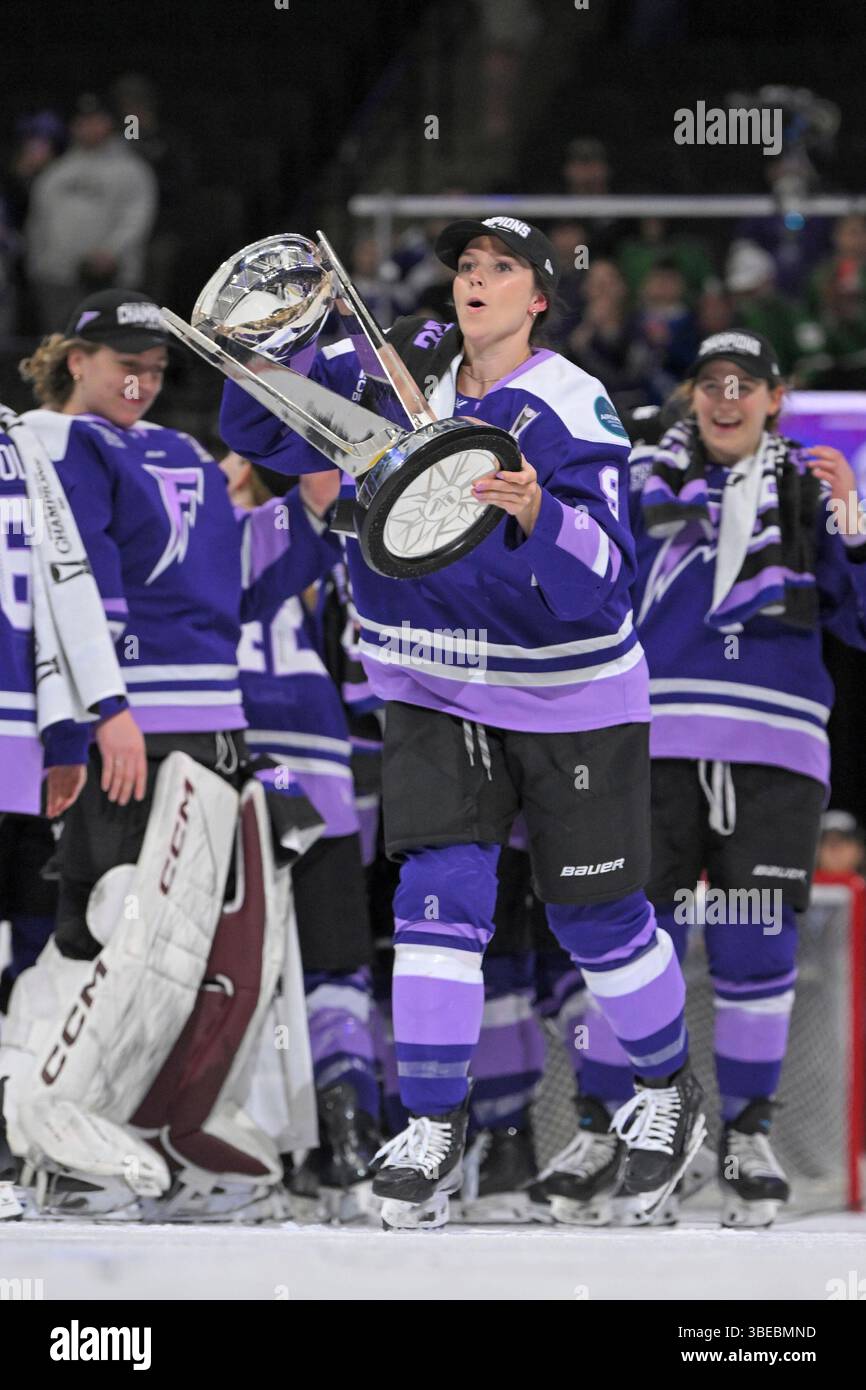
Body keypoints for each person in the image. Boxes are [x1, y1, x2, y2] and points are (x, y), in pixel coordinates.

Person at [221, 214, 707, 1230]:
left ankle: (665, 1095)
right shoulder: (391, 364)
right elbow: (260, 430)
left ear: (536, 296)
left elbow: (605, 585)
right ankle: (431, 1128)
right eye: (464, 267)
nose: (473, 281)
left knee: (596, 920)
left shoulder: (573, 405)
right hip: (430, 684)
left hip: (567, 692)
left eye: (498, 268)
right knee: (438, 898)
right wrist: (277, 341)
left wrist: (537, 514)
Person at [2, 289, 342, 1218]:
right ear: (76, 359)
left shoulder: (183, 450)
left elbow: (239, 584)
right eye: (124, 364)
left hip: (215, 735)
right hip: (131, 733)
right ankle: (53, 1141)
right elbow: (79, 583)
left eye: (156, 367)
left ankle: (149, 1134)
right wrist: (106, 709)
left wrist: (314, 519)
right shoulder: (53, 441)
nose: (142, 381)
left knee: (191, 958)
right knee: (107, 937)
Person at [545, 328, 866, 1228]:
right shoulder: (636, 481)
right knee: (627, 943)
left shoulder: (811, 489)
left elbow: (861, 621)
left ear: (777, 398)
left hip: (774, 748)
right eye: (712, 382)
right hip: (647, 743)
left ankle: (747, 1137)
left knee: (755, 946)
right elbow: (582, 597)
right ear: (691, 394)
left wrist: (856, 525)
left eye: (747, 384)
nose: (728, 398)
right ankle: (610, 1129)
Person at [220, 451, 381, 1221]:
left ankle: (253, 1149)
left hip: (252, 772)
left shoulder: (209, 546)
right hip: (319, 772)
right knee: (334, 969)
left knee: (241, 963)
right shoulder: (295, 547)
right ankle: (347, 1143)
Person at [24, 93, 158, 332]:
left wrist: (111, 251)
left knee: (109, 345)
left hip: (110, 277)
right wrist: (39, 262)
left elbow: (137, 217)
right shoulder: (56, 170)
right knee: (60, 345)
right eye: (83, 121)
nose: (90, 127)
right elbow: (39, 220)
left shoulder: (131, 168)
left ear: (109, 123)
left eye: (97, 120)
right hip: (58, 278)